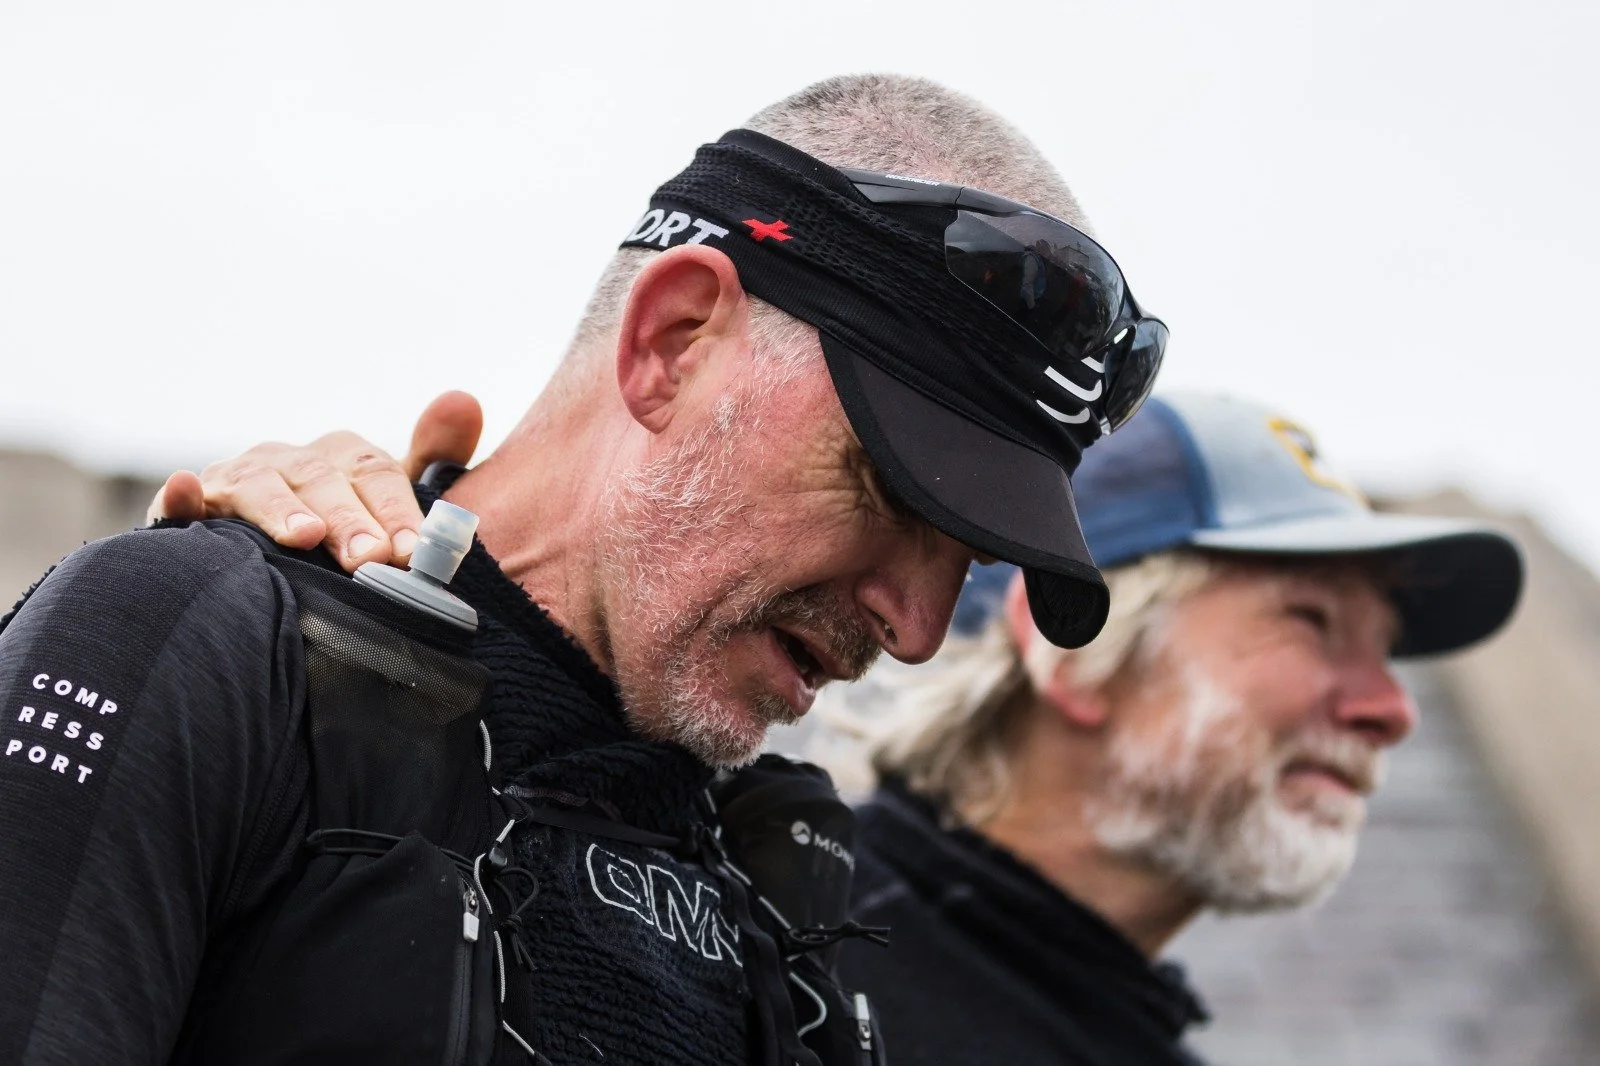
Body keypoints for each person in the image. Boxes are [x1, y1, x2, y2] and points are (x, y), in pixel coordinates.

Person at [0, 74, 1165, 1065]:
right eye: (895, 493)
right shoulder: (210, 653)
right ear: (672, 343)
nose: (915, 626)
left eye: (968, 557)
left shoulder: (774, 909)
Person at [827, 392, 1523, 1064]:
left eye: (1384, 648)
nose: (1393, 710)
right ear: (1071, 648)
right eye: (1312, 620)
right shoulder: (791, 973)